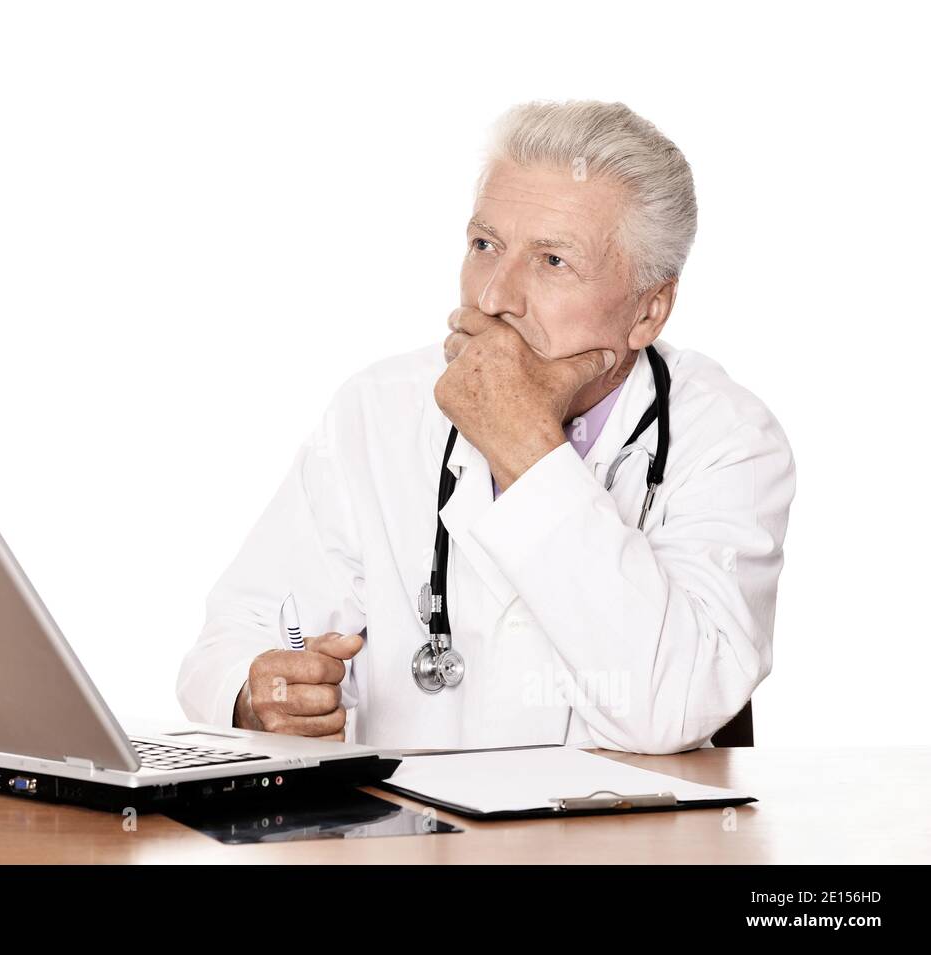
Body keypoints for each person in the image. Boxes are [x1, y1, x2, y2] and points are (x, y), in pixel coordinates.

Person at [176, 100, 796, 754]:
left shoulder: (728, 439)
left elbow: (670, 706)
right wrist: (259, 693)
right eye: (485, 245)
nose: (494, 296)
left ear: (649, 311)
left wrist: (524, 445)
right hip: (415, 849)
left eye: (552, 261)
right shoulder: (377, 409)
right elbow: (229, 641)